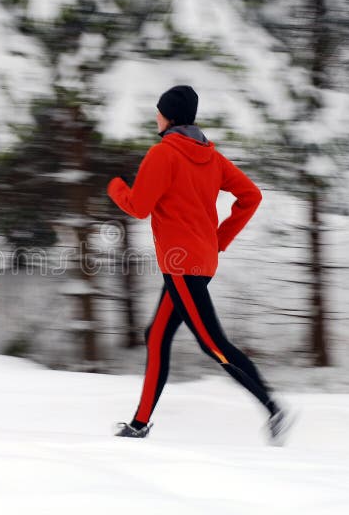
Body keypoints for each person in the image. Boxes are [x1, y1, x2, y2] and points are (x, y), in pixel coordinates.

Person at [108, 85, 292, 445]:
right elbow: (250, 196)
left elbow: (139, 206)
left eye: (159, 111)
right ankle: (139, 423)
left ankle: (273, 408)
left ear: (169, 116)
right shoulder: (210, 156)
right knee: (157, 335)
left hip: (180, 264)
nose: (155, 116)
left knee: (213, 344)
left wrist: (115, 187)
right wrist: (219, 239)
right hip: (200, 261)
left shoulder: (163, 154)